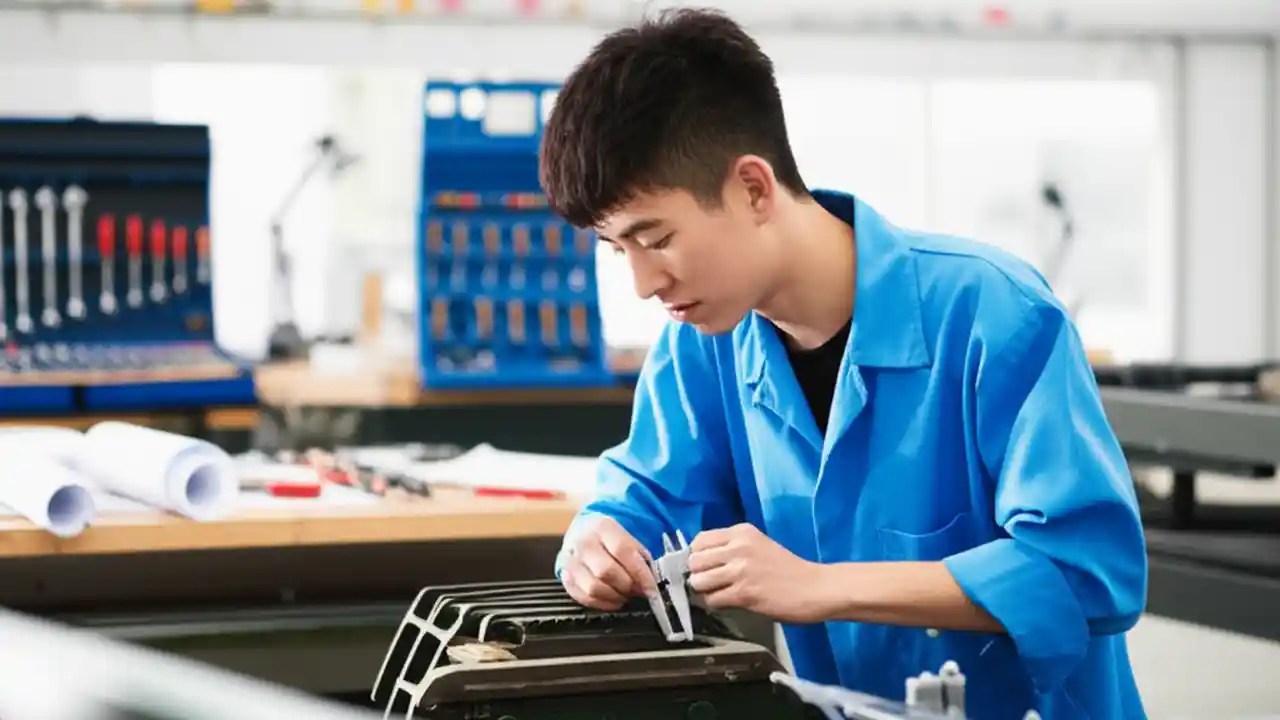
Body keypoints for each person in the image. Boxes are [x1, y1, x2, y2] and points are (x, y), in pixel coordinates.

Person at [538, 8, 1147, 720]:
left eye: (657, 238)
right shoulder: (701, 343)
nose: (643, 283)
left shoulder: (995, 313)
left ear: (754, 189)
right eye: (619, 249)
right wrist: (597, 539)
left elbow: (1090, 573)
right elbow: (647, 499)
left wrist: (821, 586)